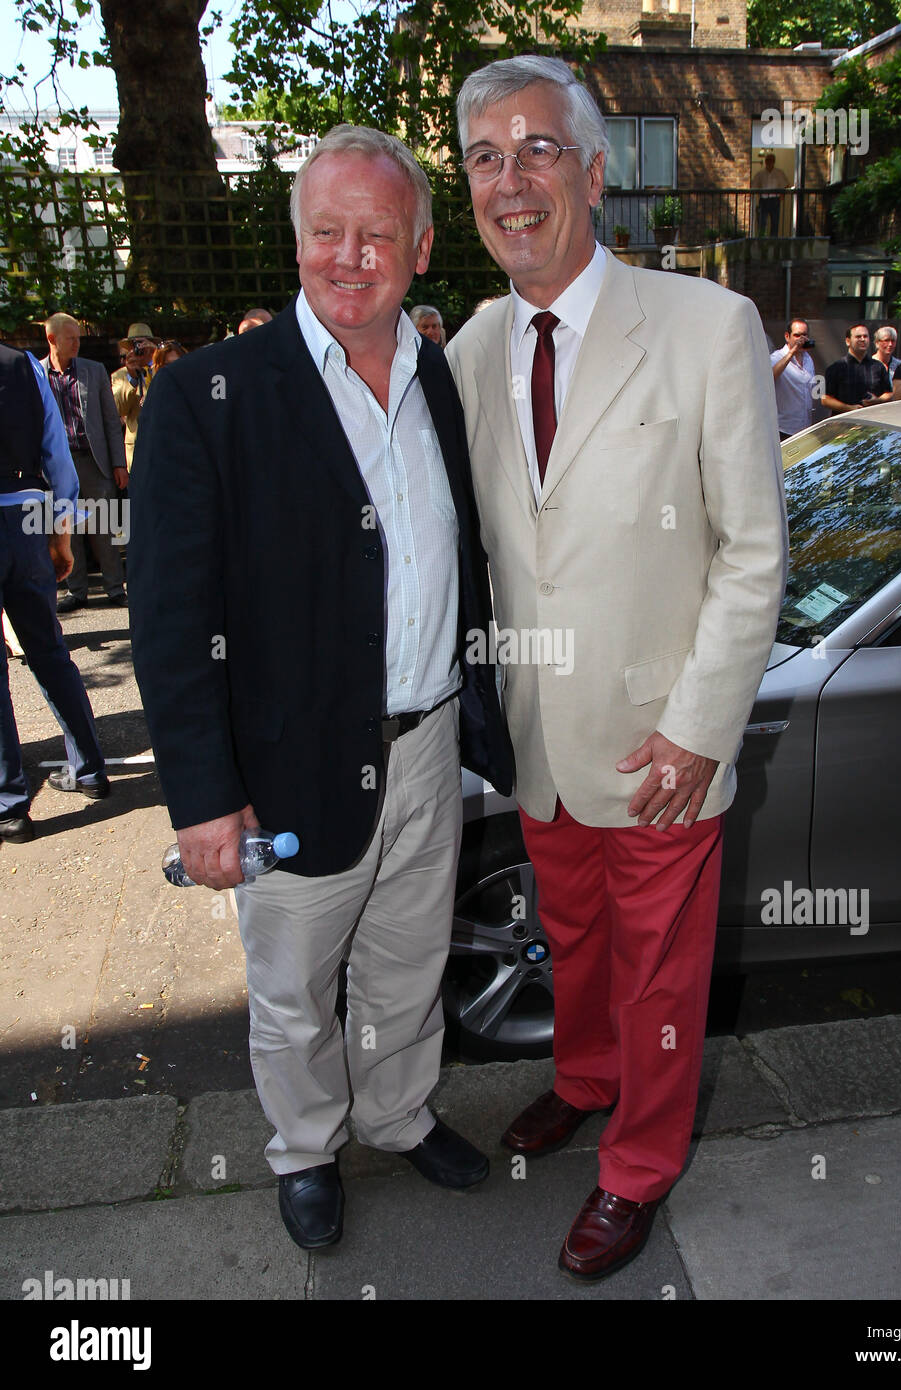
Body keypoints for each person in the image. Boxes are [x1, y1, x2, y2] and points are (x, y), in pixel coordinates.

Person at [128, 124, 512, 1253]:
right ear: (294, 241)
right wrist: (202, 796)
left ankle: (394, 1114)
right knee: (294, 988)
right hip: (285, 760)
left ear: (423, 247)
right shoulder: (209, 396)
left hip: (430, 738)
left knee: (405, 962)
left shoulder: (443, 380)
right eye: (326, 232)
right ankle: (303, 1147)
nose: (350, 256)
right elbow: (166, 616)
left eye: (377, 234)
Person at [446, 56, 787, 1282]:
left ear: (594, 171)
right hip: (540, 736)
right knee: (572, 940)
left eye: (537, 148)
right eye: (484, 157)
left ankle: (637, 1165)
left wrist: (699, 726)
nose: (510, 179)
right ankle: (584, 1083)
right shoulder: (473, 347)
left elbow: (751, 555)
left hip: (660, 739)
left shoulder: (705, 326)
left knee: (655, 968)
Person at [1, 345, 111, 842]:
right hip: (24, 515)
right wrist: (61, 533)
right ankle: (90, 769)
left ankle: (10, 803)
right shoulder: (23, 365)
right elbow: (56, 452)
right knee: (49, 650)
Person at [39, 313, 128, 612]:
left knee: (103, 527)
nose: (78, 343)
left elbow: (110, 421)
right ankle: (76, 591)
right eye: (71, 338)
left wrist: (119, 464)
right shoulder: (36, 374)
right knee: (65, 530)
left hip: (93, 461)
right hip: (56, 466)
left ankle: (115, 587)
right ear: (52, 339)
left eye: (79, 337)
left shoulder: (93, 370)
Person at [822, 323, 893, 414]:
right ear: (848, 341)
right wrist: (849, 408)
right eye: (858, 337)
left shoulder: (879, 367)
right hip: (844, 422)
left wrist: (877, 400)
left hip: (873, 422)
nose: (863, 339)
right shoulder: (836, 368)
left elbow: (889, 393)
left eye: (865, 336)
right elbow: (826, 400)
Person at [110, 336, 152, 469]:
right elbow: (117, 409)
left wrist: (152, 363)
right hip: (137, 451)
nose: (140, 351)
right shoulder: (120, 376)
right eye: (136, 347)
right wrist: (132, 379)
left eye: (144, 346)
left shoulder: (163, 369)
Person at [770, 317, 815, 439]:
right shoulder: (776, 357)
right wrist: (791, 353)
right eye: (797, 335)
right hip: (783, 429)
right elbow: (770, 377)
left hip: (804, 428)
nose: (801, 339)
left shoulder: (808, 359)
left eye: (805, 335)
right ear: (787, 336)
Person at [751, 152, 787, 237]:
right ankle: (762, 239)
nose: (768, 162)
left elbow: (785, 185)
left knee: (775, 222)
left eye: (770, 160)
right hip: (764, 200)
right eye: (767, 160)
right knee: (762, 222)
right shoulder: (760, 174)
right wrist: (758, 194)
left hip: (775, 200)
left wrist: (782, 196)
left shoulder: (779, 173)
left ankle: (773, 240)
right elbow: (754, 185)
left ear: (774, 161)